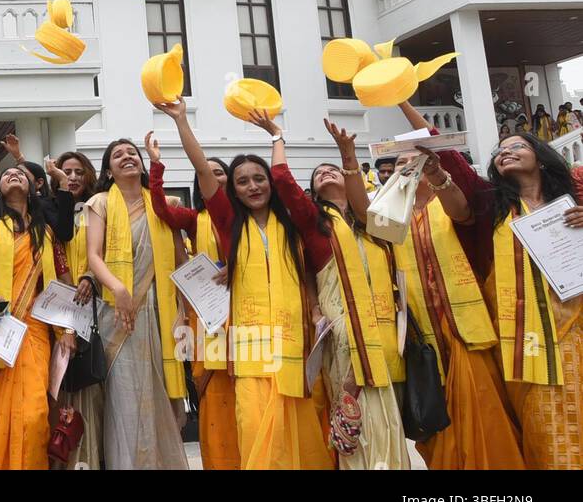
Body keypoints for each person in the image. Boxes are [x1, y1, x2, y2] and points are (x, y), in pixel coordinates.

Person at [158, 100, 333, 470]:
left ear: (270, 182)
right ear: (233, 191)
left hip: (293, 347)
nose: (252, 186)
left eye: (258, 178)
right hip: (251, 353)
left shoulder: (293, 227)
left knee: (300, 443)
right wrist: (181, 121)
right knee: (255, 432)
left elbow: (306, 277)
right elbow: (203, 170)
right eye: (242, 181)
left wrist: (277, 137)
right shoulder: (227, 224)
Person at [391, 102, 524, 469]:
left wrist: (402, 98)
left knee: (485, 419)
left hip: (465, 333)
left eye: (413, 162)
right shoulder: (390, 221)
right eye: (400, 165)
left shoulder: (448, 201)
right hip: (423, 343)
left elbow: (462, 210)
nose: (408, 169)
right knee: (438, 431)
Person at [444, 131, 583, 469]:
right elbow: (451, 164)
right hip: (527, 343)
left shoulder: (571, 201)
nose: (505, 153)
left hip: (576, 328)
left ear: (540, 156)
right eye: (500, 151)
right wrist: (402, 95)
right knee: (546, 432)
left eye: (516, 146)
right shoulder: (492, 208)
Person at [83, 135, 190, 470]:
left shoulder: (164, 204)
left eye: (132, 153)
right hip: (120, 314)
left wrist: (184, 312)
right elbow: (93, 255)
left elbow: (180, 258)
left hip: (160, 312)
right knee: (126, 400)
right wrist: (118, 289)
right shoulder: (99, 203)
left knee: (160, 398)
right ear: (108, 169)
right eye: (118, 155)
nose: (127, 157)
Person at [0, 151, 70, 470]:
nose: (15, 175)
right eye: (8, 174)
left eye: (21, 174)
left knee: (35, 413)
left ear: (34, 187)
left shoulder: (47, 231)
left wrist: (68, 330)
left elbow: (61, 277)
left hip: (36, 332)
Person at [314, 121, 409, 470]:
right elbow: (308, 277)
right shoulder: (315, 227)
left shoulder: (377, 228)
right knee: (354, 426)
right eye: (319, 173)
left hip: (385, 341)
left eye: (333, 170)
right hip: (341, 337)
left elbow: (363, 206)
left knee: (386, 424)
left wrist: (348, 157)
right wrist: (313, 309)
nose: (327, 173)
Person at [146, 141, 240, 470]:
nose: (215, 177)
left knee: (250, 386)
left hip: (247, 314)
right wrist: (156, 167)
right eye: (208, 174)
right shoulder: (194, 218)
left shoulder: (250, 218)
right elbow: (161, 209)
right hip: (210, 316)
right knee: (214, 393)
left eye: (220, 173)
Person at [51, 150, 102, 469]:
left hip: (93, 306)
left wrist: (91, 277)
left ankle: (91, 460)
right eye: (65, 171)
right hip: (56, 310)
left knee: (89, 389)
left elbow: (111, 252)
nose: (71, 176)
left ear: (88, 177)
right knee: (61, 391)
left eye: (78, 171)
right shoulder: (51, 212)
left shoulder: (98, 210)